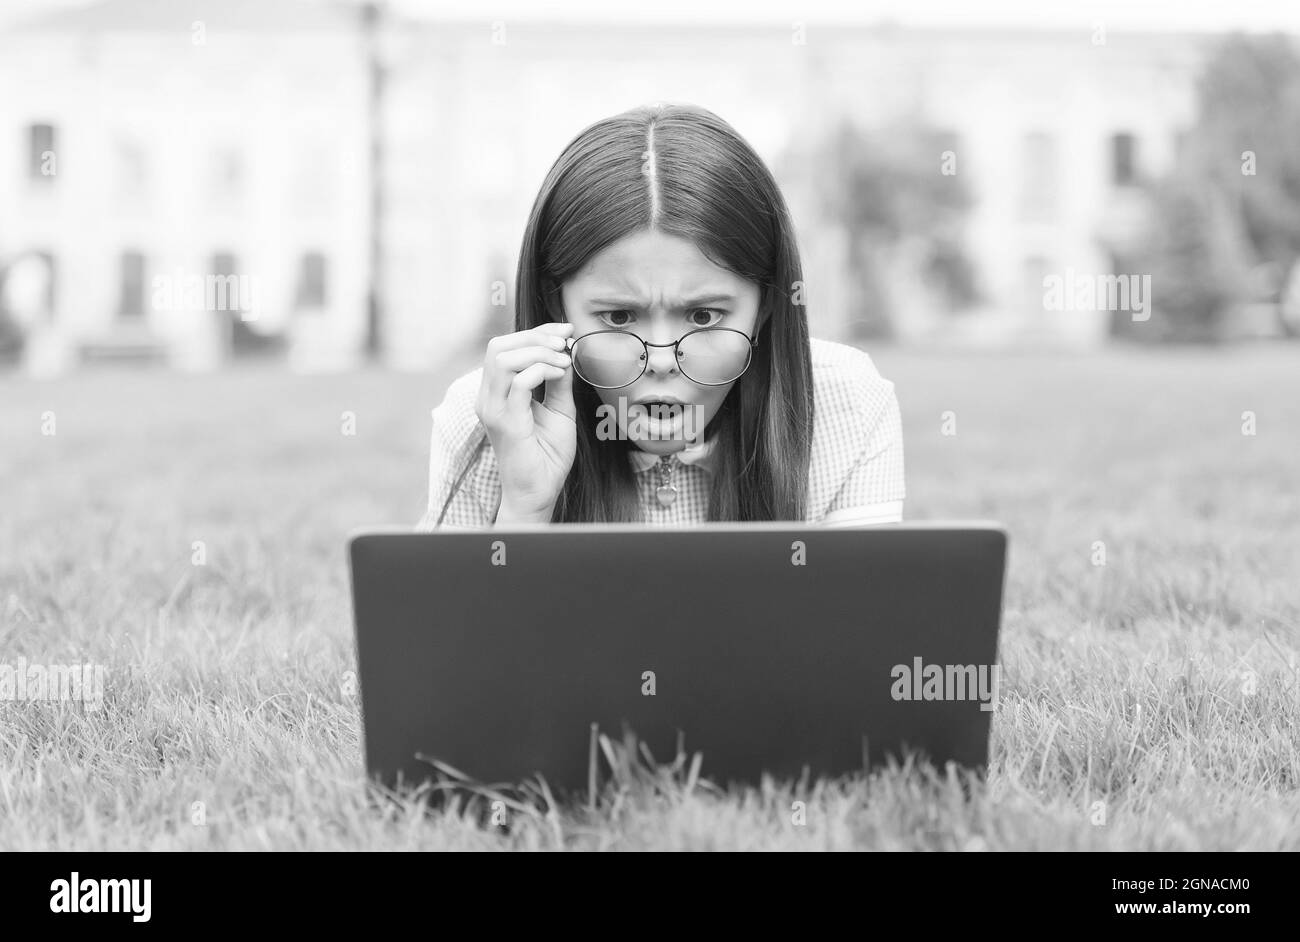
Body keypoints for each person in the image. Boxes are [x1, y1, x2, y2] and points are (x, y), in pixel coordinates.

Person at [417, 102, 905, 529]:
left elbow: (866, 629)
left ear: (763, 311)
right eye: (619, 317)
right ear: (555, 308)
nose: (663, 361)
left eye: (703, 317)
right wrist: (525, 509)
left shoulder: (843, 405)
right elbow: (449, 637)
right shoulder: (493, 418)